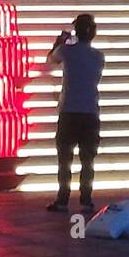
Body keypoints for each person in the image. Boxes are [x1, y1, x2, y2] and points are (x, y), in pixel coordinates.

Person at [45, 14, 105, 213]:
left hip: (69, 111)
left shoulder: (66, 51)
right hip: (90, 111)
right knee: (88, 160)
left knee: (65, 159)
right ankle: (86, 200)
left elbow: (51, 60)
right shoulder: (99, 56)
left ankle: (62, 200)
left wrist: (60, 41)